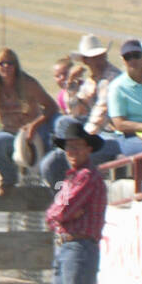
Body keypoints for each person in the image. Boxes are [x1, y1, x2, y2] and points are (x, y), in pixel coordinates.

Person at [44, 118, 108, 284]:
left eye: (77, 146)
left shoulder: (86, 177)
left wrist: (61, 215)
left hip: (78, 248)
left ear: (88, 148)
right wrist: (61, 215)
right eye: (68, 147)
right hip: (68, 247)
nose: (72, 151)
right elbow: (58, 213)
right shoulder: (73, 177)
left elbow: (60, 212)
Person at [38, 34, 122, 192]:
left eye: (99, 57)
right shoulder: (91, 82)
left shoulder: (112, 79)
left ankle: (75, 195)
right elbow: (74, 112)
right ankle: (62, 204)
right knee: (49, 165)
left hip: (110, 134)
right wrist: (71, 85)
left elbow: (100, 115)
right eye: (92, 58)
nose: (97, 61)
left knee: (65, 150)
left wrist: (81, 141)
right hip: (90, 135)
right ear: (85, 61)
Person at [0, 48, 59, 195]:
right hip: (8, 132)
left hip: (29, 136)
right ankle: (9, 178)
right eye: (1, 63)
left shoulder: (28, 84)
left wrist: (34, 125)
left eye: (10, 63)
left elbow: (52, 107)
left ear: (16, 65)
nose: (6, 67)